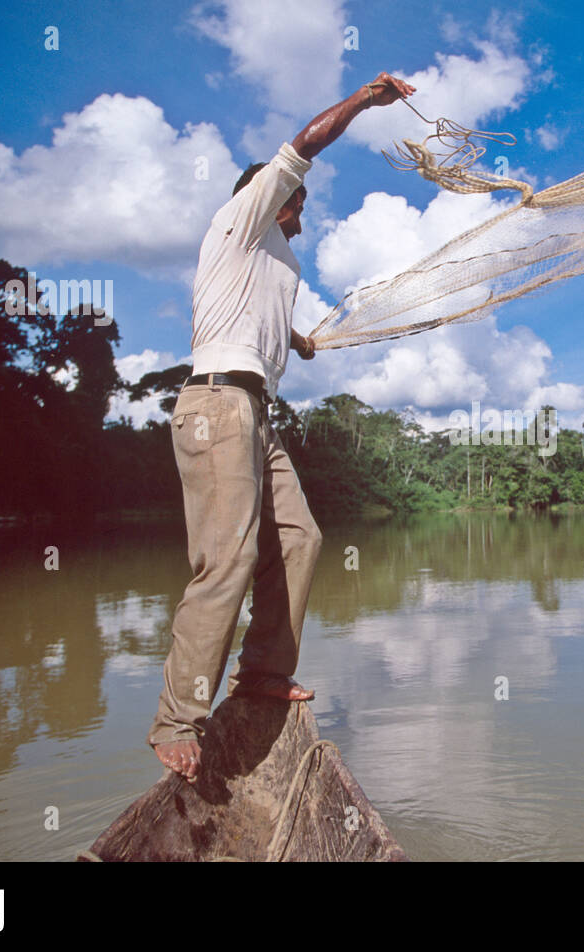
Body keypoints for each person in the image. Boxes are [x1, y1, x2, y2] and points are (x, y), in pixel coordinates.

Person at [149, 71, 417, 781]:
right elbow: (302, 144)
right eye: (300, 201)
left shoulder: (276, 260)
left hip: (255, 412)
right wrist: (365, 100)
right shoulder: (243, 218)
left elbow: (250, 319)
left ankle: (262, 670)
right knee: (227, 559)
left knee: (300, 537)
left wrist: (296, 340)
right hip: (215, 408)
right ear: (276, 194)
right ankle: (177, 719)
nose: (305, 213)